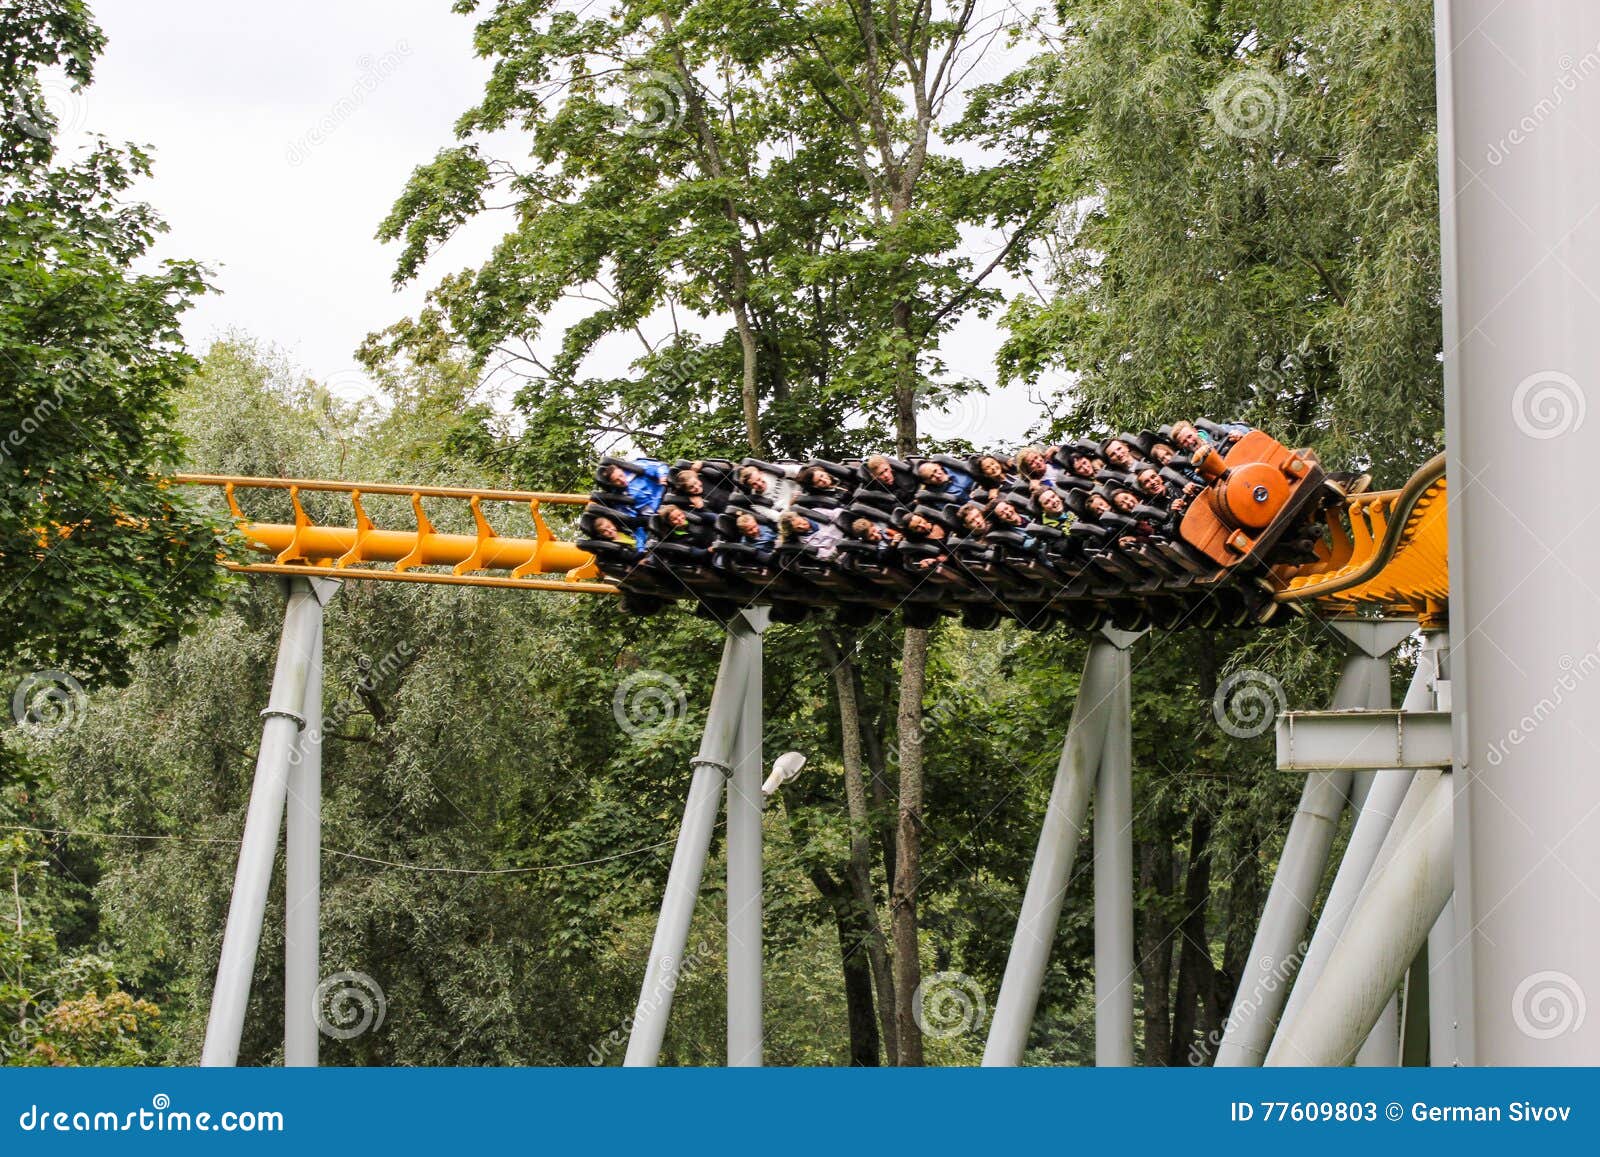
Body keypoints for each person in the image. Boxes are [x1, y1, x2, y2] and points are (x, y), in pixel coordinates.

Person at [598, 458, 670, 523]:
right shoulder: (618, 499)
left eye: (621, 475)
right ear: (612, 484)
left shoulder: (635, 467)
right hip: (656, 512)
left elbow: (660, 466)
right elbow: (631, 517)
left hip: (666, 491)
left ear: (621, 470)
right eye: (617, 480)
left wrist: (662, 476)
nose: (622, 480)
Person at [779, 510, 845, 559]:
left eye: (801, 523)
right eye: (798, 528)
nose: (802, 527)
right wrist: (841, 547)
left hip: (848, 529)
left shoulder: (815, 513)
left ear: (801, 517)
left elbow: (839, 512)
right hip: (844, 551)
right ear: (794, 531)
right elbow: (827, 556)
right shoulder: (805, 543)